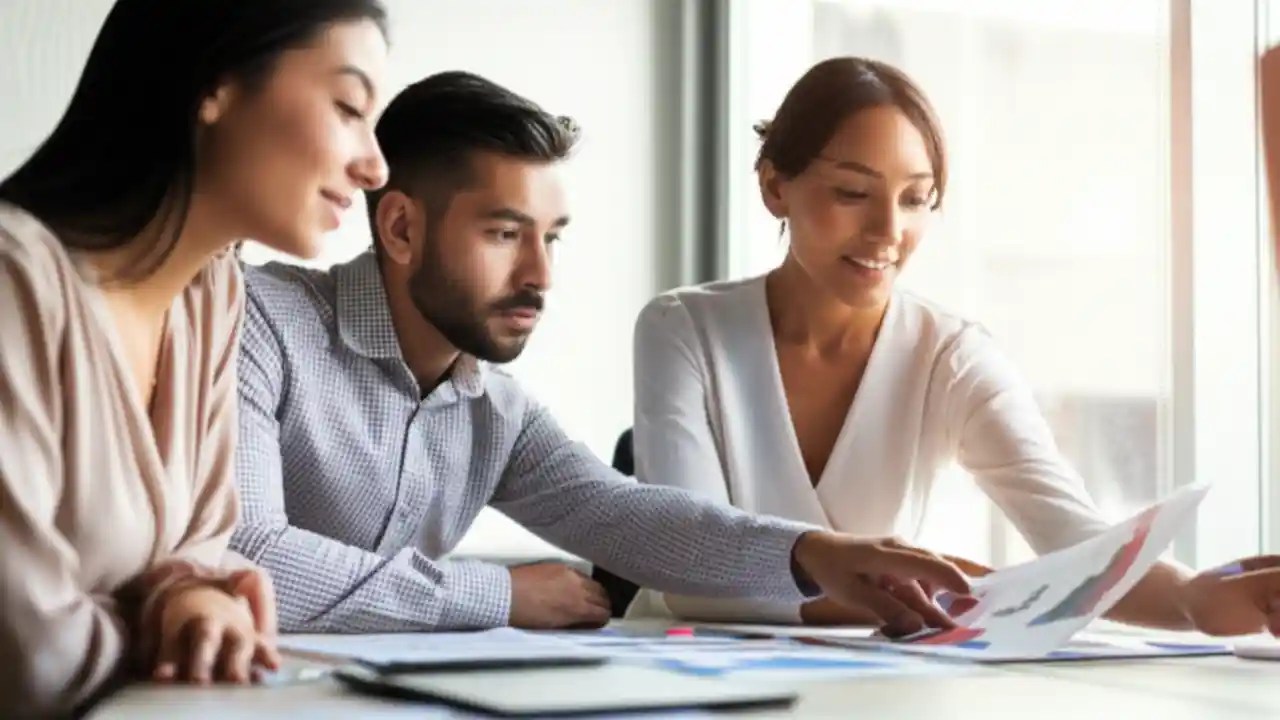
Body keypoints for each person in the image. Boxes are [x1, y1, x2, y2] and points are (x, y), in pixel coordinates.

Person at [230, 70, 973, 635]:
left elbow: (623, 515)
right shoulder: (260, 325)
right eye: (503, 234)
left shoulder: (494, 411)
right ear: (399, 230)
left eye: (550, 237)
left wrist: (817, 554)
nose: (540, 275)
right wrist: (499, 594)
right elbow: (250, 557)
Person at [628, 56, 1280, 637]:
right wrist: (916, 599)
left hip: (867, 684)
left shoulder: (952, 355)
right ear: (775, 187)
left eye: (917, 199)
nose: (889, 230)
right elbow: (691, 565)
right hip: (676, 674)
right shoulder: (683, 330)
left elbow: (1076, 538)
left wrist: (1195, 601)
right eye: (853, 193)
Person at [0, 0, 391, 715]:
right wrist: (169, 615)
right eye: (348, 107)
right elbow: (24, 653)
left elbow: (205, 549)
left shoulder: (210, 295)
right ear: (215, 83)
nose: (374, 166)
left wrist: (191, 597)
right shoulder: (14, 283)